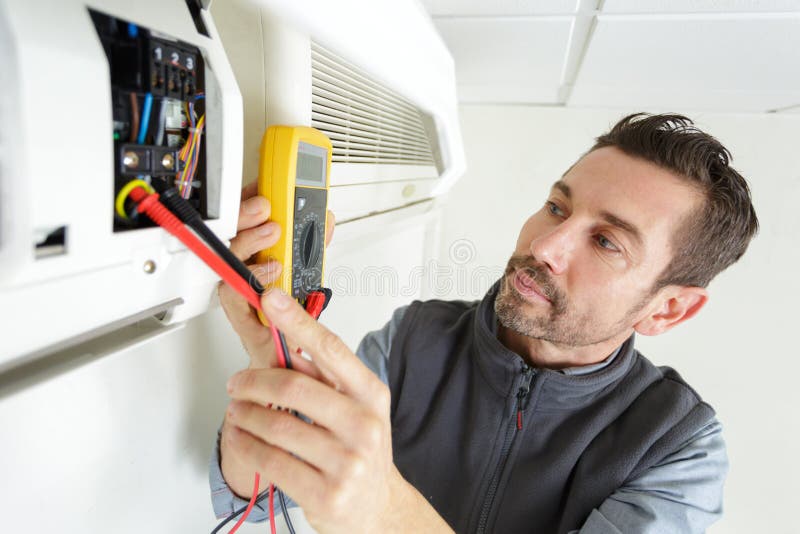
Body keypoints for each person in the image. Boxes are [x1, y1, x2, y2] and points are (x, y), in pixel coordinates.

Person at [209, 113, 759, 533]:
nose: (545, 246)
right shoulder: (412, 338)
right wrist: (276, 363)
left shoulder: (679, 446)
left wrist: (388, 510)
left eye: (606, 241)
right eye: (558, 208)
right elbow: (250, 501)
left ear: (668, 309)